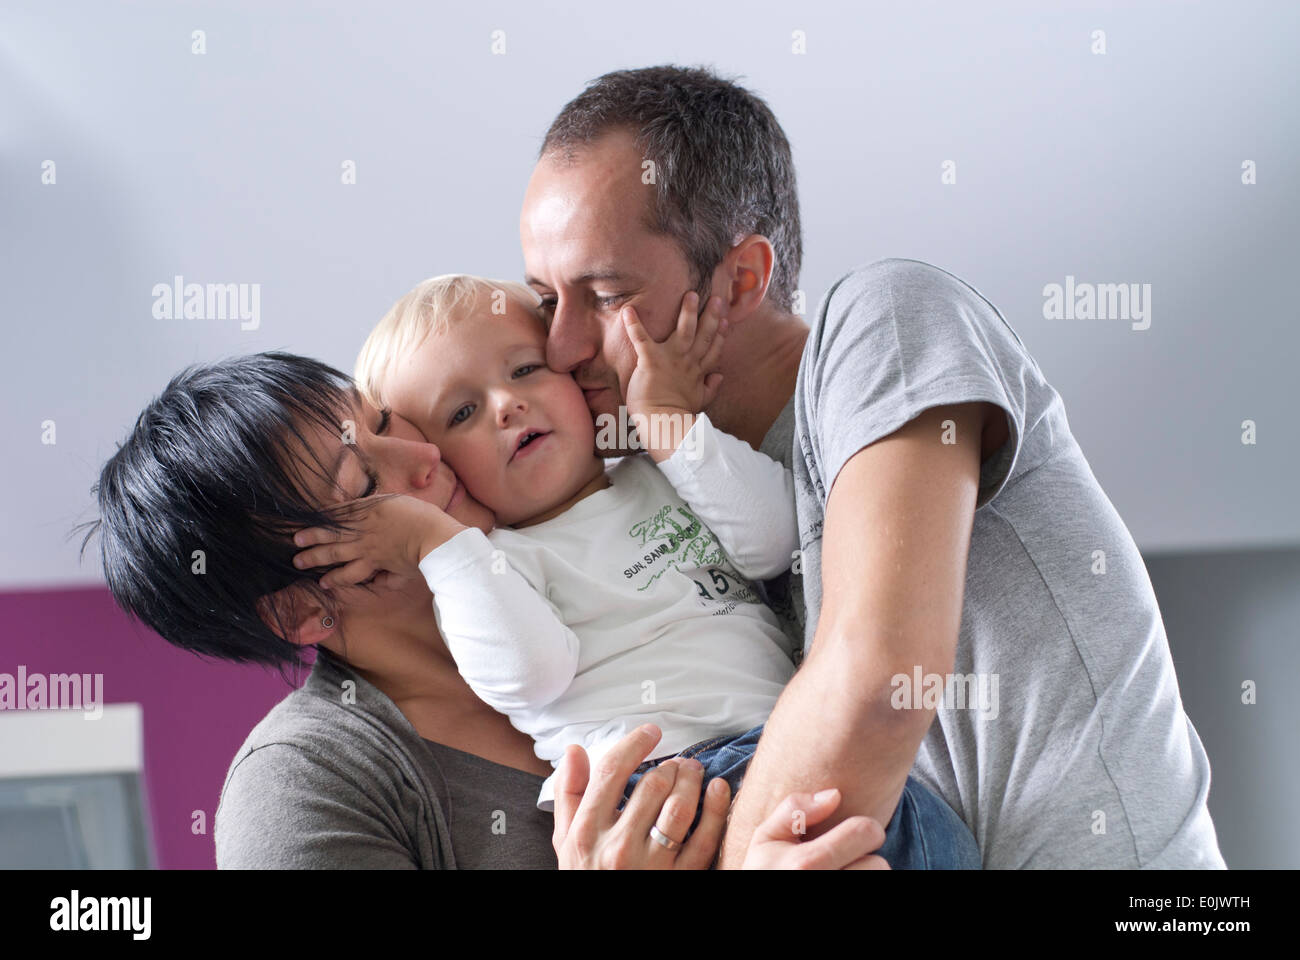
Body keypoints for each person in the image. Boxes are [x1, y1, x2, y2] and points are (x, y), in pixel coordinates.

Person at [518, 65, 1227, 868]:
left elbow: (876, 678)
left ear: (742, 279)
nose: (561, 347)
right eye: (546, 301)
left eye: (605, 294)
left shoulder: (888, 318)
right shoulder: (673, 507)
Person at [87, 351, 889, 869]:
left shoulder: (609, 539)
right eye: (364, 483)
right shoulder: (305, 787)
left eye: (379, 421)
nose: (426, 454)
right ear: (303, 609)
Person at [293, 273, 980, 867]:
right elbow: (533, 674)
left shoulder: (656, 471)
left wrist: (669, 424)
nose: (508, 405)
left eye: (526, 369)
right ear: (439, 465)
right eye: (464, 412)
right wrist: (440, 543)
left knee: (942, 841)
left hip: (799, 745)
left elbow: (780, 542)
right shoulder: (483, 568)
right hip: (666, 794)